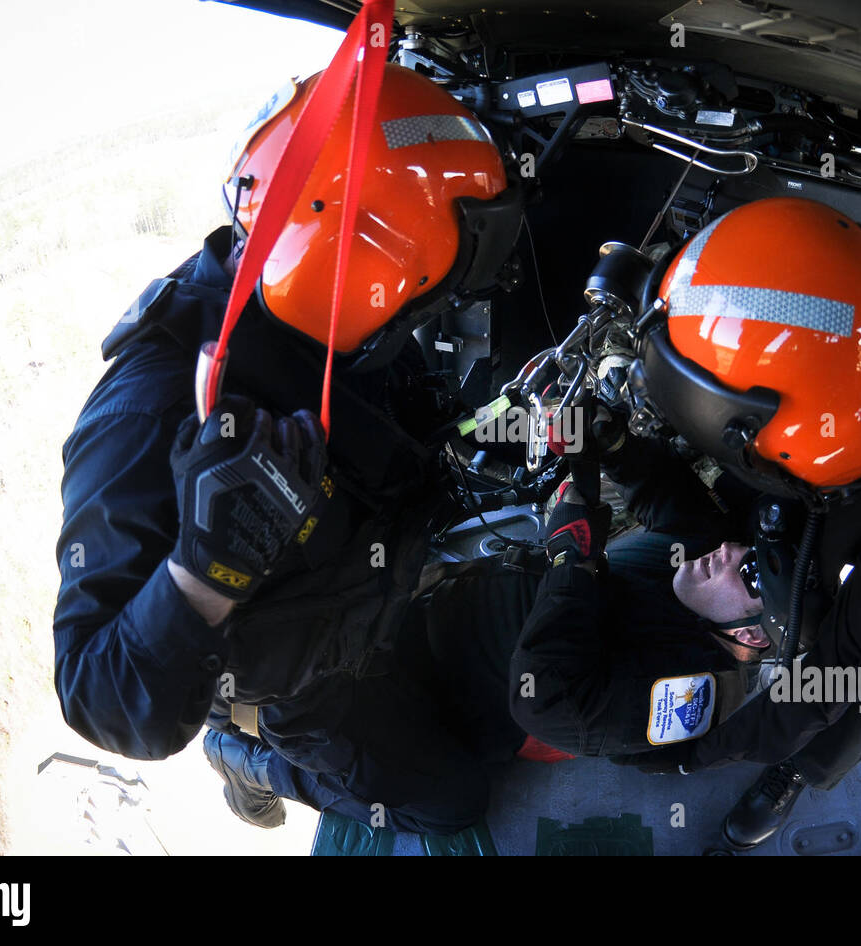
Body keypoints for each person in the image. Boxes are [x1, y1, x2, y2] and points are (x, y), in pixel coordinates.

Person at [494, 197, 861, 850]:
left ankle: (798, 775)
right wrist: (617, 445)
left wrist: (701, 755)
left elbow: (835, 677)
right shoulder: (846, 316)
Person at [52, 63, 522, 837]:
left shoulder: (309, 311)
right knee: (453, 799)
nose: (418, 319)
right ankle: (246, 759)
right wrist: (203, 575)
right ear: (355, 260)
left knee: (506, 712)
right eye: (417, 298)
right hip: (301, 686)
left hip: (381, 584)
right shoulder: (147, 409)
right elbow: (97, 694)